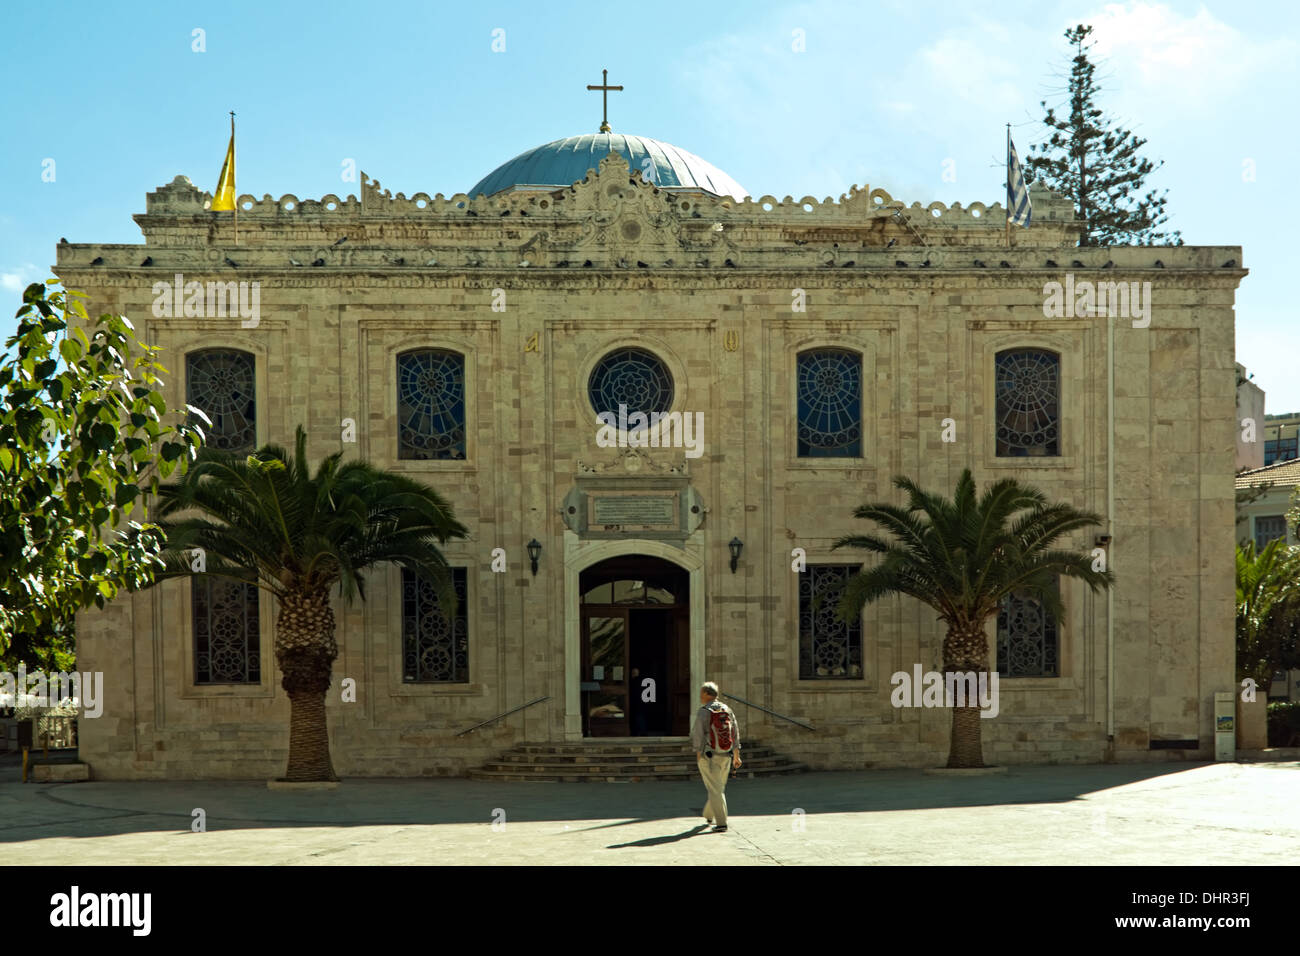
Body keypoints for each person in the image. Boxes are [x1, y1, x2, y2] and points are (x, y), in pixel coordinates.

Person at [691, 681, 741, 832]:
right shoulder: (727, 709)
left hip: (709, 755)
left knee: (715, 790)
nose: (700, 696)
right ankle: (708, 814)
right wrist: (737, 755)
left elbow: (698, 735)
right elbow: (735, 733)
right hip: (726, 755)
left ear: (707, 694)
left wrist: (698, 754)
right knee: (718, 787)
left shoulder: (704, 711)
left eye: (701, 693)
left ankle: (721, 823)